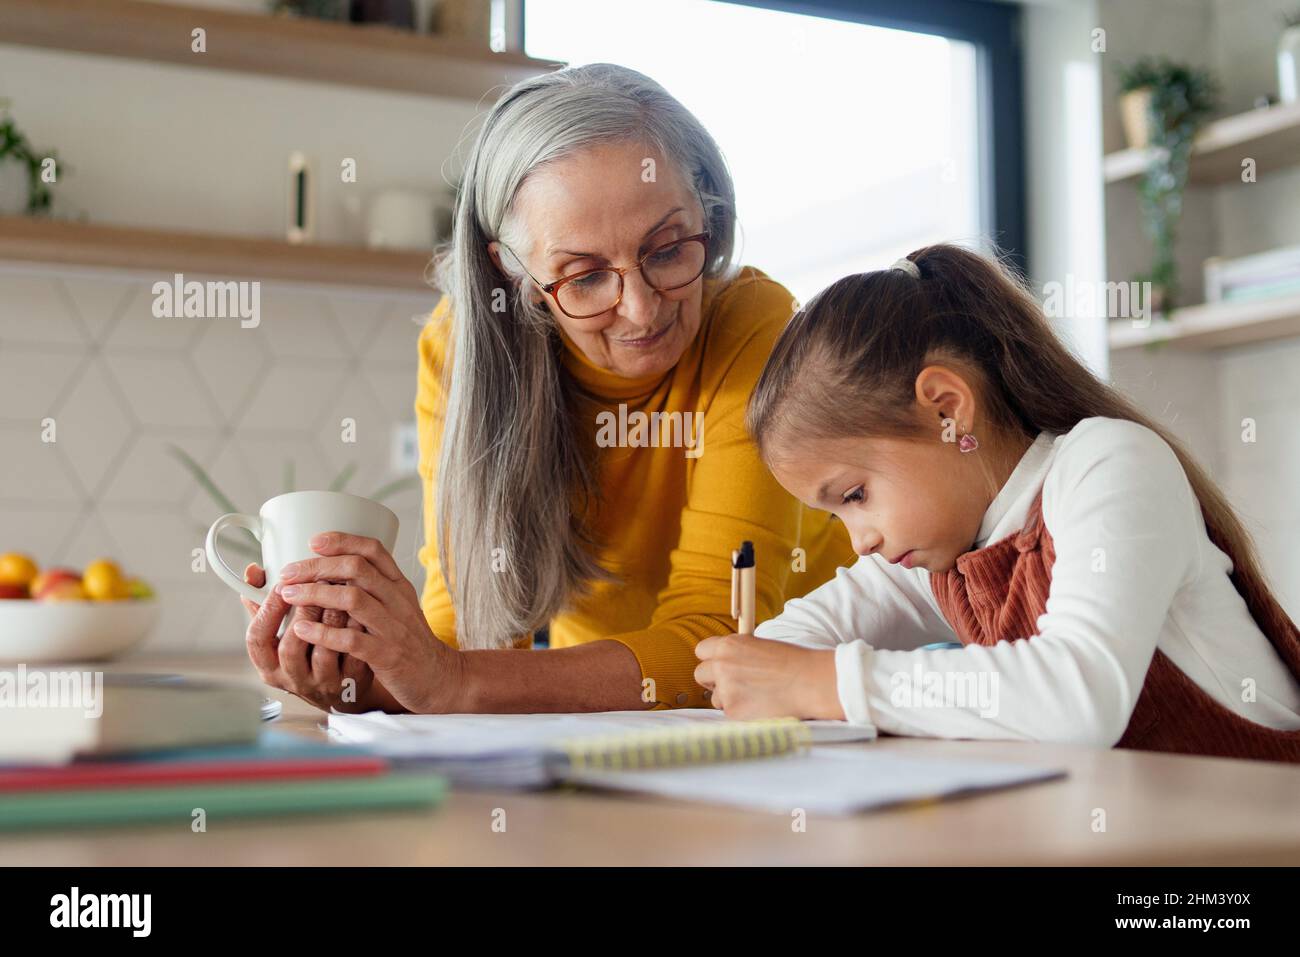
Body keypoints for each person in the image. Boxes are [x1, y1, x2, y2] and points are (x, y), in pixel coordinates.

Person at [239, 63, 854, 714]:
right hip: (612, 718)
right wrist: (361, 677)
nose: (643, 308)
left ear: (709, 207)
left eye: (669, 249)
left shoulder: (751, 325)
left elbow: (718, 635)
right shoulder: (462, 350)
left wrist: (448, 678)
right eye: (586, 277)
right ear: (513, 270)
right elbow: (469, 635)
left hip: (814, 700)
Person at [694, 243, 1300, 762]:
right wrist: (751, 669)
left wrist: (822, 683)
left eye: (855, 495)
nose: (860, 540)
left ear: (946, 409)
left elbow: (1076, 696)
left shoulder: (1108, 464)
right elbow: (794, 640)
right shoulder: (945, 555)